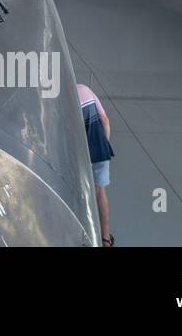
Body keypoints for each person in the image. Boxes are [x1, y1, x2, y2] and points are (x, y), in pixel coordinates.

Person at [79, 82, 114, 246]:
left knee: (82, 193)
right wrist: (104, 145)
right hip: (100, 148)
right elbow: (105, 120)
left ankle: (85, 233)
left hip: (81, 153)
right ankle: (105, 239)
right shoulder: (86, 89)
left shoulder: (66, 97)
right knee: (100, 192)